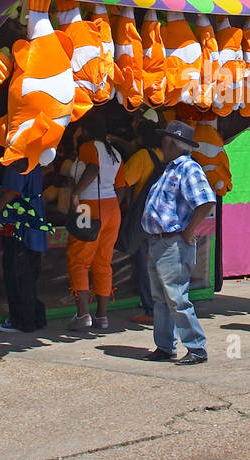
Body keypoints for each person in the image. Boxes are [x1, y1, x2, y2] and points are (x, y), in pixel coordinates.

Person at [140, 121, 216, 365]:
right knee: (162, 298)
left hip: (172, 242)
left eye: (164, 140)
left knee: (176, 297)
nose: (161, 144)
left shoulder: (188, 169)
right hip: (160, 242)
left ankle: (196, 347)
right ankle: (164, 346)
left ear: (171, 143)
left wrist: (188, 231)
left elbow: (206, 201)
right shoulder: (171, 169)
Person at [66, 118, 124, 331]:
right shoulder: (115, 153)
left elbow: (92, 169)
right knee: (103, 262)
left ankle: (83, 315)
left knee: (79, 260)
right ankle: (102, 317)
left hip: (88, 207)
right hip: (112, 209)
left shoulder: (88, 147)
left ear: (86, 130)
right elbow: (121, 188)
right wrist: (109, 210)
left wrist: (76, 193)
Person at [0, 160, 47, 333]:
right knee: (30, 274)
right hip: (34, 221)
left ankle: (20, 320)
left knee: (17, 275)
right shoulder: (34, 162)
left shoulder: (17, 163)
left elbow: (11, 193)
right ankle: (35, 317)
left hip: (18, 225)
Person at [116, 121, 165, 325]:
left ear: (142, 138)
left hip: (143, 217)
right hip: (163, 217)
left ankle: (150, 309)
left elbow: (123, 182)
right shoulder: (165, 157)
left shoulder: (142, 156)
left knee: (145, 264)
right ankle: (160, 307)